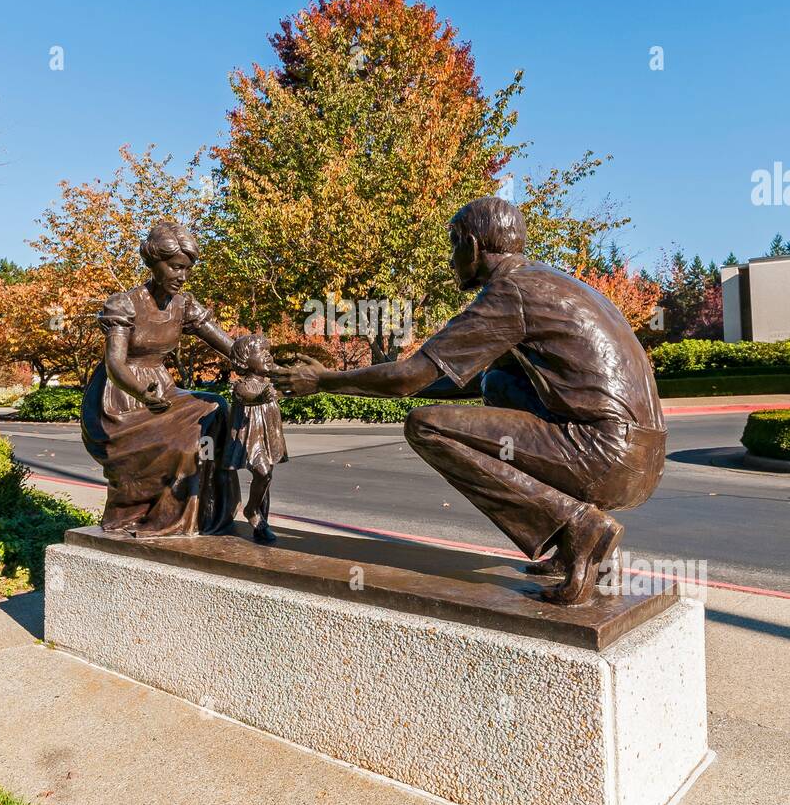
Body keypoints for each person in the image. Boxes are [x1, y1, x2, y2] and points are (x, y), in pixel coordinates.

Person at [269, 197, 666, 605]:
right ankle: (573, 546)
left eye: (453, 245)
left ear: (473, 247)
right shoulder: (548, 281)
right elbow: (449, 379)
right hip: (639, 457)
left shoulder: (510, 292)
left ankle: (579, 526)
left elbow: (411, 377)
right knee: (497, 382)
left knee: (425, 426)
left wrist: (324, 380)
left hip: (605, 454)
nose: (450, 259)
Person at [81, 220, 240, 537]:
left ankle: (201, 515)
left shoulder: (184, 305)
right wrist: (143, 393)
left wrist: (265, 366)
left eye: (187, 269)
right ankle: (153, 514)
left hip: (162, 391)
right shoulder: (124, 304)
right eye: (175, 268)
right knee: (182, 442)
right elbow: (115, 363)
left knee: (217, 408)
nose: (182, 277)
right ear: (154, 263)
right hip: (121, 399)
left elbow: (231, 348)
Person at [224, 333, 287, 545]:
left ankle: (261, 523)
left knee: (266, 481)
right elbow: (246, 397)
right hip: (250, 441)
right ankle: (251, 510)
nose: (268, 356)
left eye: (269, 352)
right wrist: (260, 397)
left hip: (268, 438)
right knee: (263, 473)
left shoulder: (271, 384)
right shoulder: (242, 386)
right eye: (262, 352)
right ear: (245, 361)